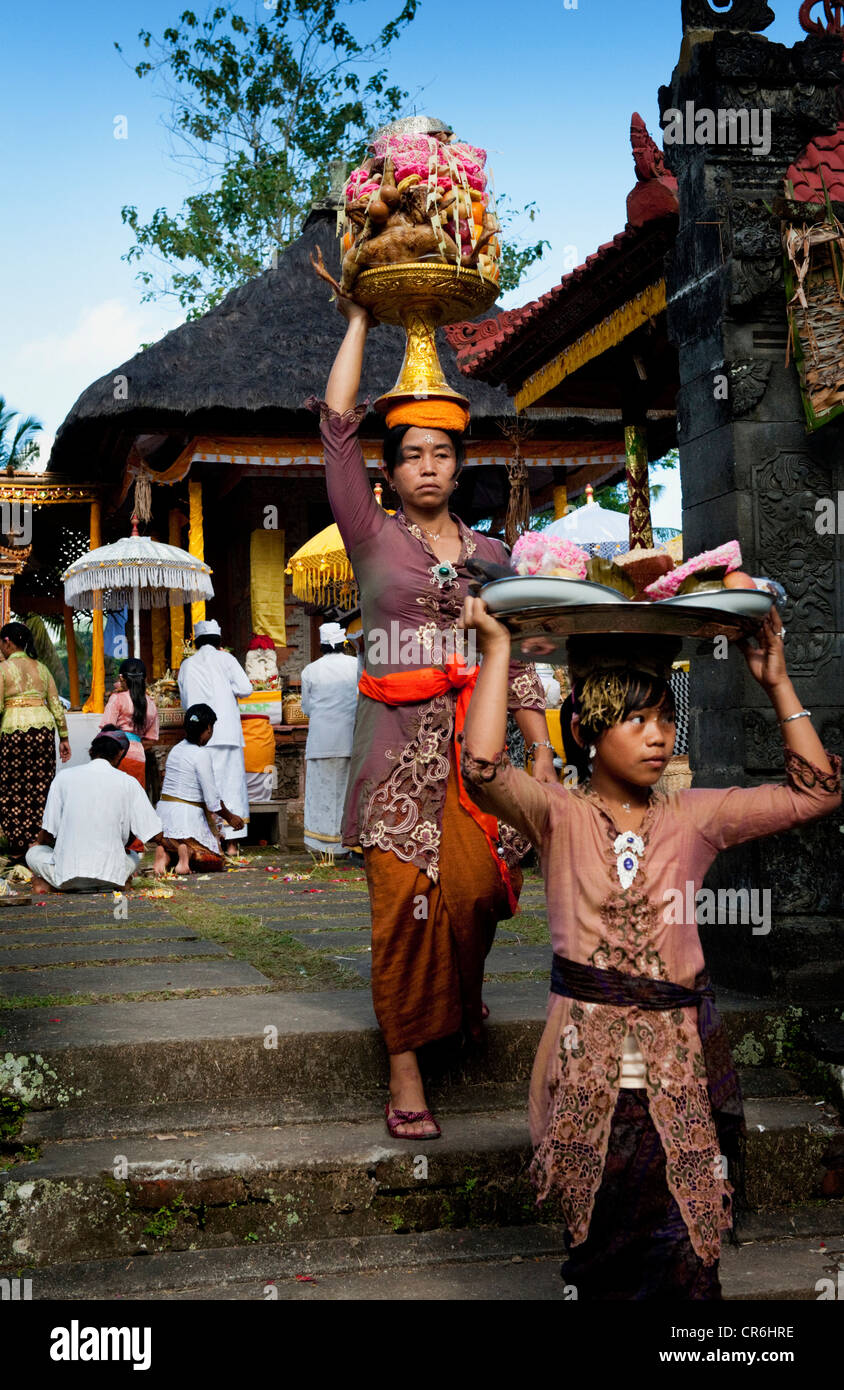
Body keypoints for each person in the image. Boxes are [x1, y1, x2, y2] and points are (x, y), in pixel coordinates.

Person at [459, 597, 841, 1299]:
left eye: (666, 719)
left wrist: (777, 682)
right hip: (587, 1074)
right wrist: (496, 655)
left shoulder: (697, 816)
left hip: (677, 1074)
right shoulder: (558, 813)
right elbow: (480, 769)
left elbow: (816, 793)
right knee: (599, 1258)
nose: (658, 736)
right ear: (585, 730)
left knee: (689, 1255)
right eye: (635, 721)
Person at [308, 296, 554, 1141]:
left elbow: (514, 658)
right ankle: (405, 1065)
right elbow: (338, 424)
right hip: (393, 757)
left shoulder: (494, 557)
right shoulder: (370, 536)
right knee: (401, 900)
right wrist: (357, 321)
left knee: (481, 891)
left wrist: (542, 752)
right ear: (391, 471)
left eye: (440, 454)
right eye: (410, 455)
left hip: (479, 753)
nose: (425, 468)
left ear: (458, 464)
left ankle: (457, 993)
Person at [25, 727, 164, 893]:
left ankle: (49, 885)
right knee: (133, 855)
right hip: (111, 876)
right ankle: (117, 882)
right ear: (120, 754)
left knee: (33, 853)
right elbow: (156, 835)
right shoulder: (129, 782)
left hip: (67, 877)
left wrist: (37, 845)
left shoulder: (63, 777)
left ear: (91, 750)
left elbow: (47, 835)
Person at [177, 619, 252, 856]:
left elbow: (183, 697)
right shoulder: (227, 659)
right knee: (230, 786)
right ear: (219, 641)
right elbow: (246, 688)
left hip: (199, 735)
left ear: (197, 641)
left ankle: (209, 841)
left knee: (204, 787)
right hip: (227, 732)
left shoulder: (187, 664)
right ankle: (231, 844)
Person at [0, 621, 71, 859]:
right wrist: (64, 737)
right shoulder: (42, 668)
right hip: (42, 732)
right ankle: (38, 841)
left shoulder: (2, 669)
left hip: (13, 732)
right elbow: (56, 705)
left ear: (7, 642)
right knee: (41, 787)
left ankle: (18, 847)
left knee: (12, 787)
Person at [153, 704, 245, 875]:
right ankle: (186, 854)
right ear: (208, 728)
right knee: (215, 861)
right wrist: (231, 817)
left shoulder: (176, 749)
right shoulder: (201, 754)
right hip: (186, 820)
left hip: (164, 820)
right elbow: (212, 800)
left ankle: (165, 855)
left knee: (173, 843)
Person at [300, 621, 360, 862]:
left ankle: (323, 845)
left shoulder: (310, 670)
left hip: (320, 739)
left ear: (322, 645)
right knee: (346, 792)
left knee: (321, 794)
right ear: (343, 644)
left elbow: (306, 707)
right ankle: (347, 842)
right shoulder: (355, 664)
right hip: (349, 737)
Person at [100, 657, 159, 789]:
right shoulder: (151, 703)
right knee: (134, 799)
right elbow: (151, 740)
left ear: (122, 679)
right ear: (144, 679)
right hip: (138, 757)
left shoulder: (117, 699)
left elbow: (106, 730)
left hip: (116, 755)